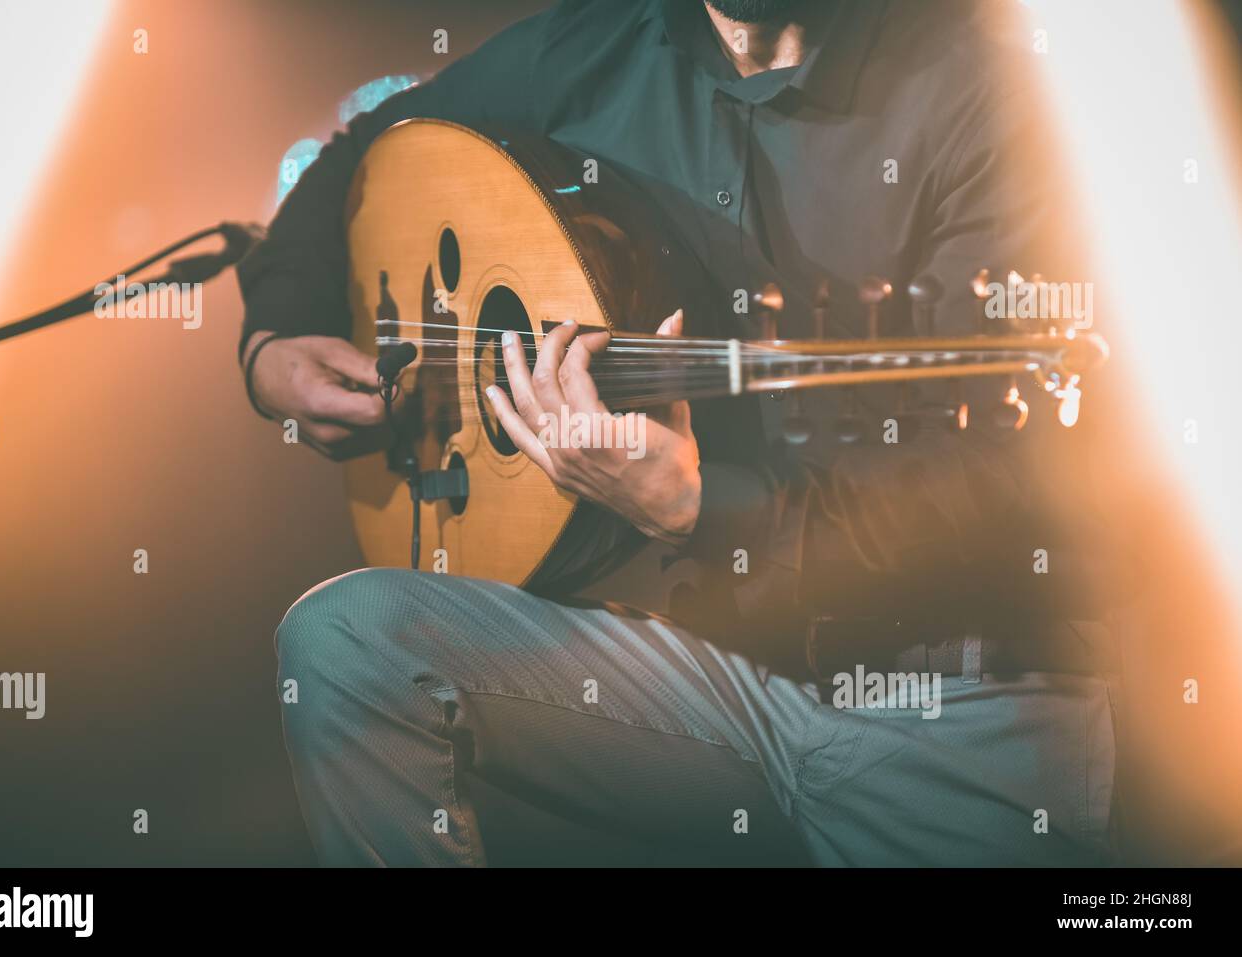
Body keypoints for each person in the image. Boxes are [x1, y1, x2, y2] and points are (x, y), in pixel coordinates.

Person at [237, 0, 1121, 866]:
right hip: (712, 666)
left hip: (958, 706)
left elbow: (1006, 487)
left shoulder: (999, 87)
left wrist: (696, 507)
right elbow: (356, 153)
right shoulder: (592, 47)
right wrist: (272, 347)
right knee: (349, 640)